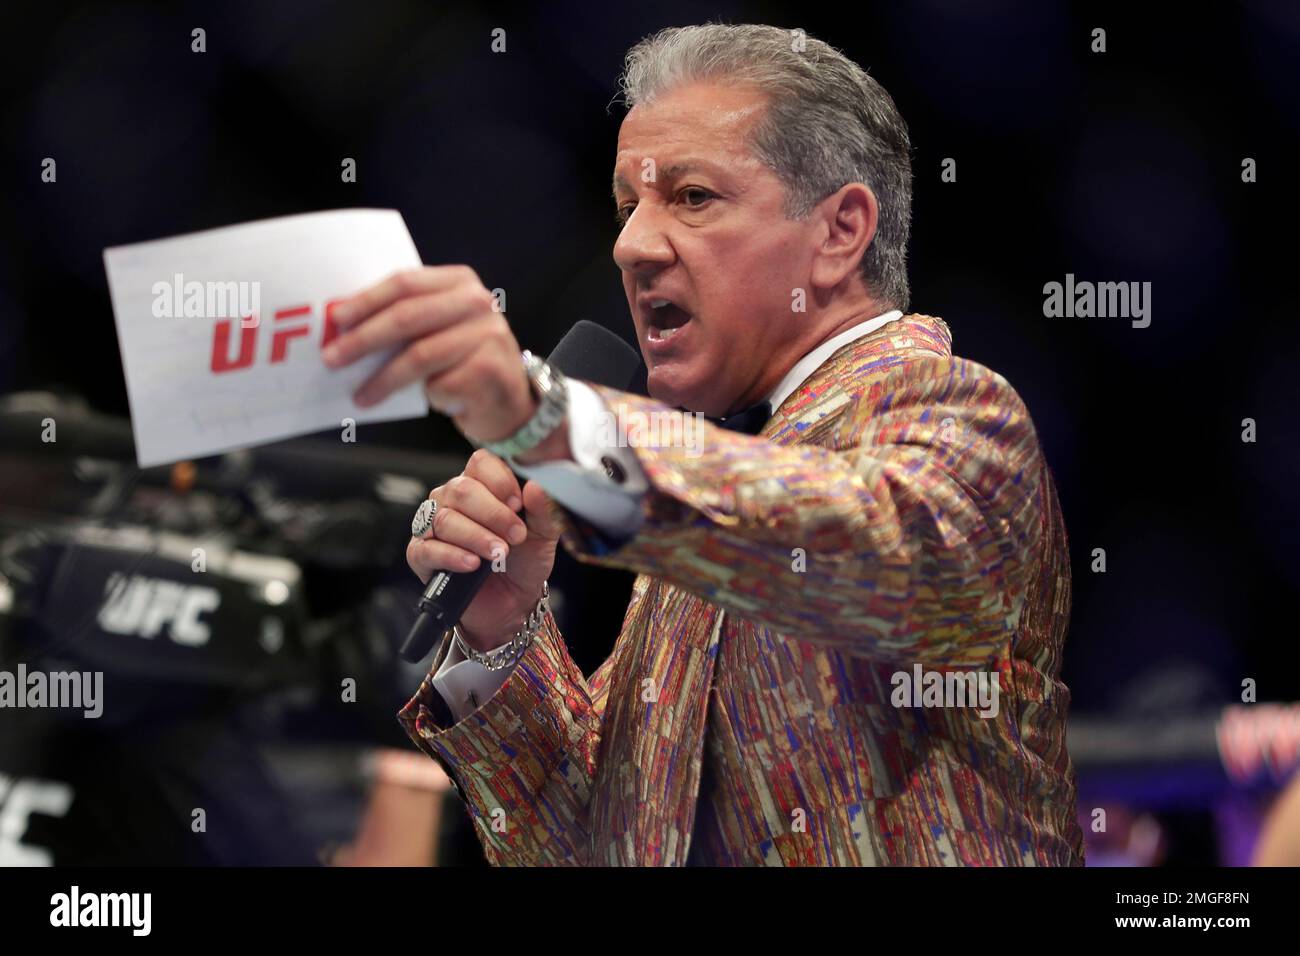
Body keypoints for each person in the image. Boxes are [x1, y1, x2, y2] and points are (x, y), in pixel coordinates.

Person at [321, 23, 1083, 865]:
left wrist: (546, 423)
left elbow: (859, 554)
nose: (630, 245)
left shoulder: (961, 416)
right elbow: (591, 850)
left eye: (691, 197)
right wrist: (504, 638)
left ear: (839, 233)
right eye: (627, 205)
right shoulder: (711, 505)